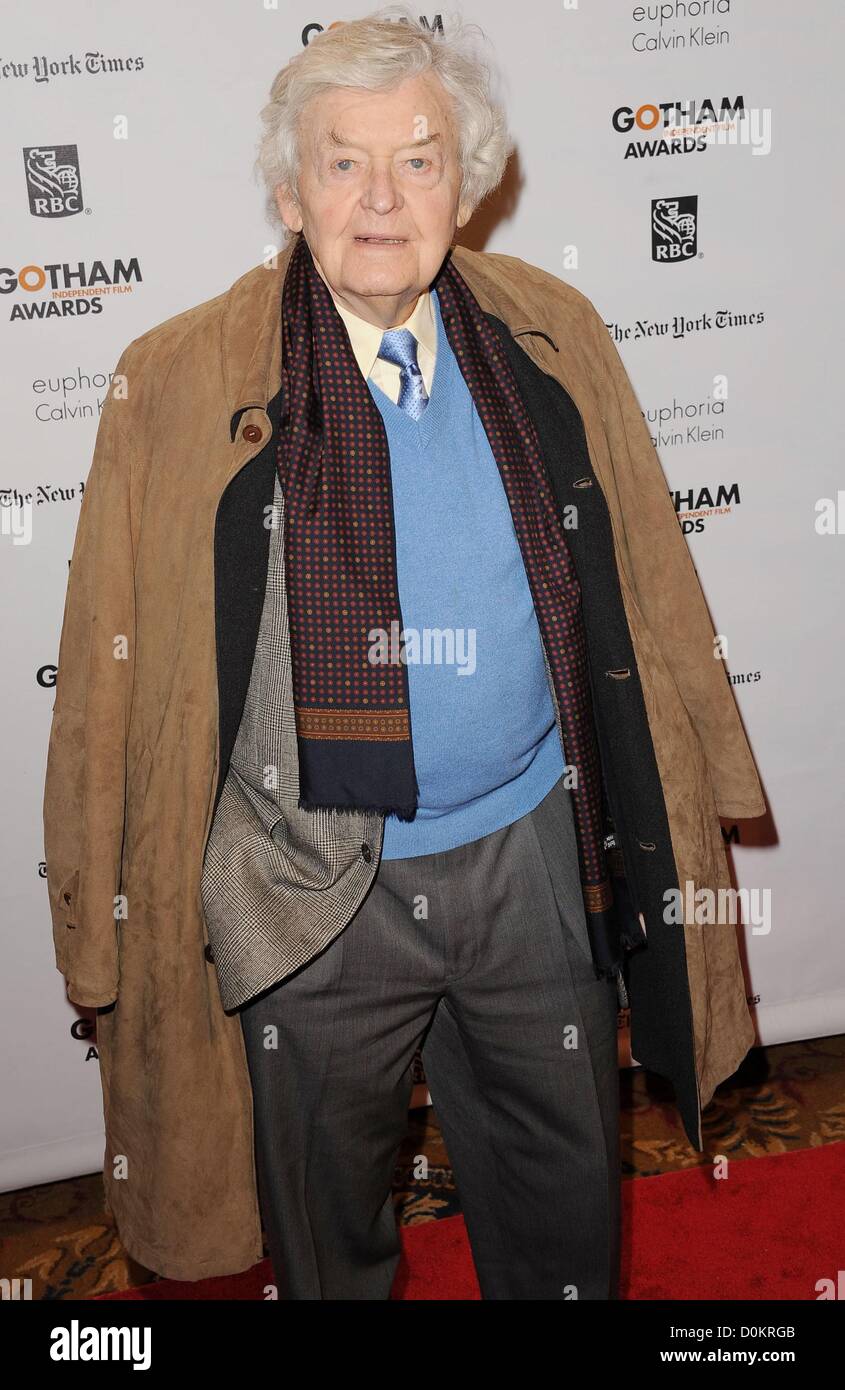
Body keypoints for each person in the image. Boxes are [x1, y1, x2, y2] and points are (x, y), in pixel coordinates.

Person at [43, 6, 766, 1298]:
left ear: (466, 180)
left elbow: (650, 590)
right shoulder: (169, 381)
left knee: (561, 1213)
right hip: (303, 884)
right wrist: (96, 924)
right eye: (342, 161)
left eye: (419, 159)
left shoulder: (554, 332)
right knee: (327, 1243)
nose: (381, 197)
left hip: (532, 859)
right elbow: (105, 692)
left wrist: (700, 779)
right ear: (286, 185)